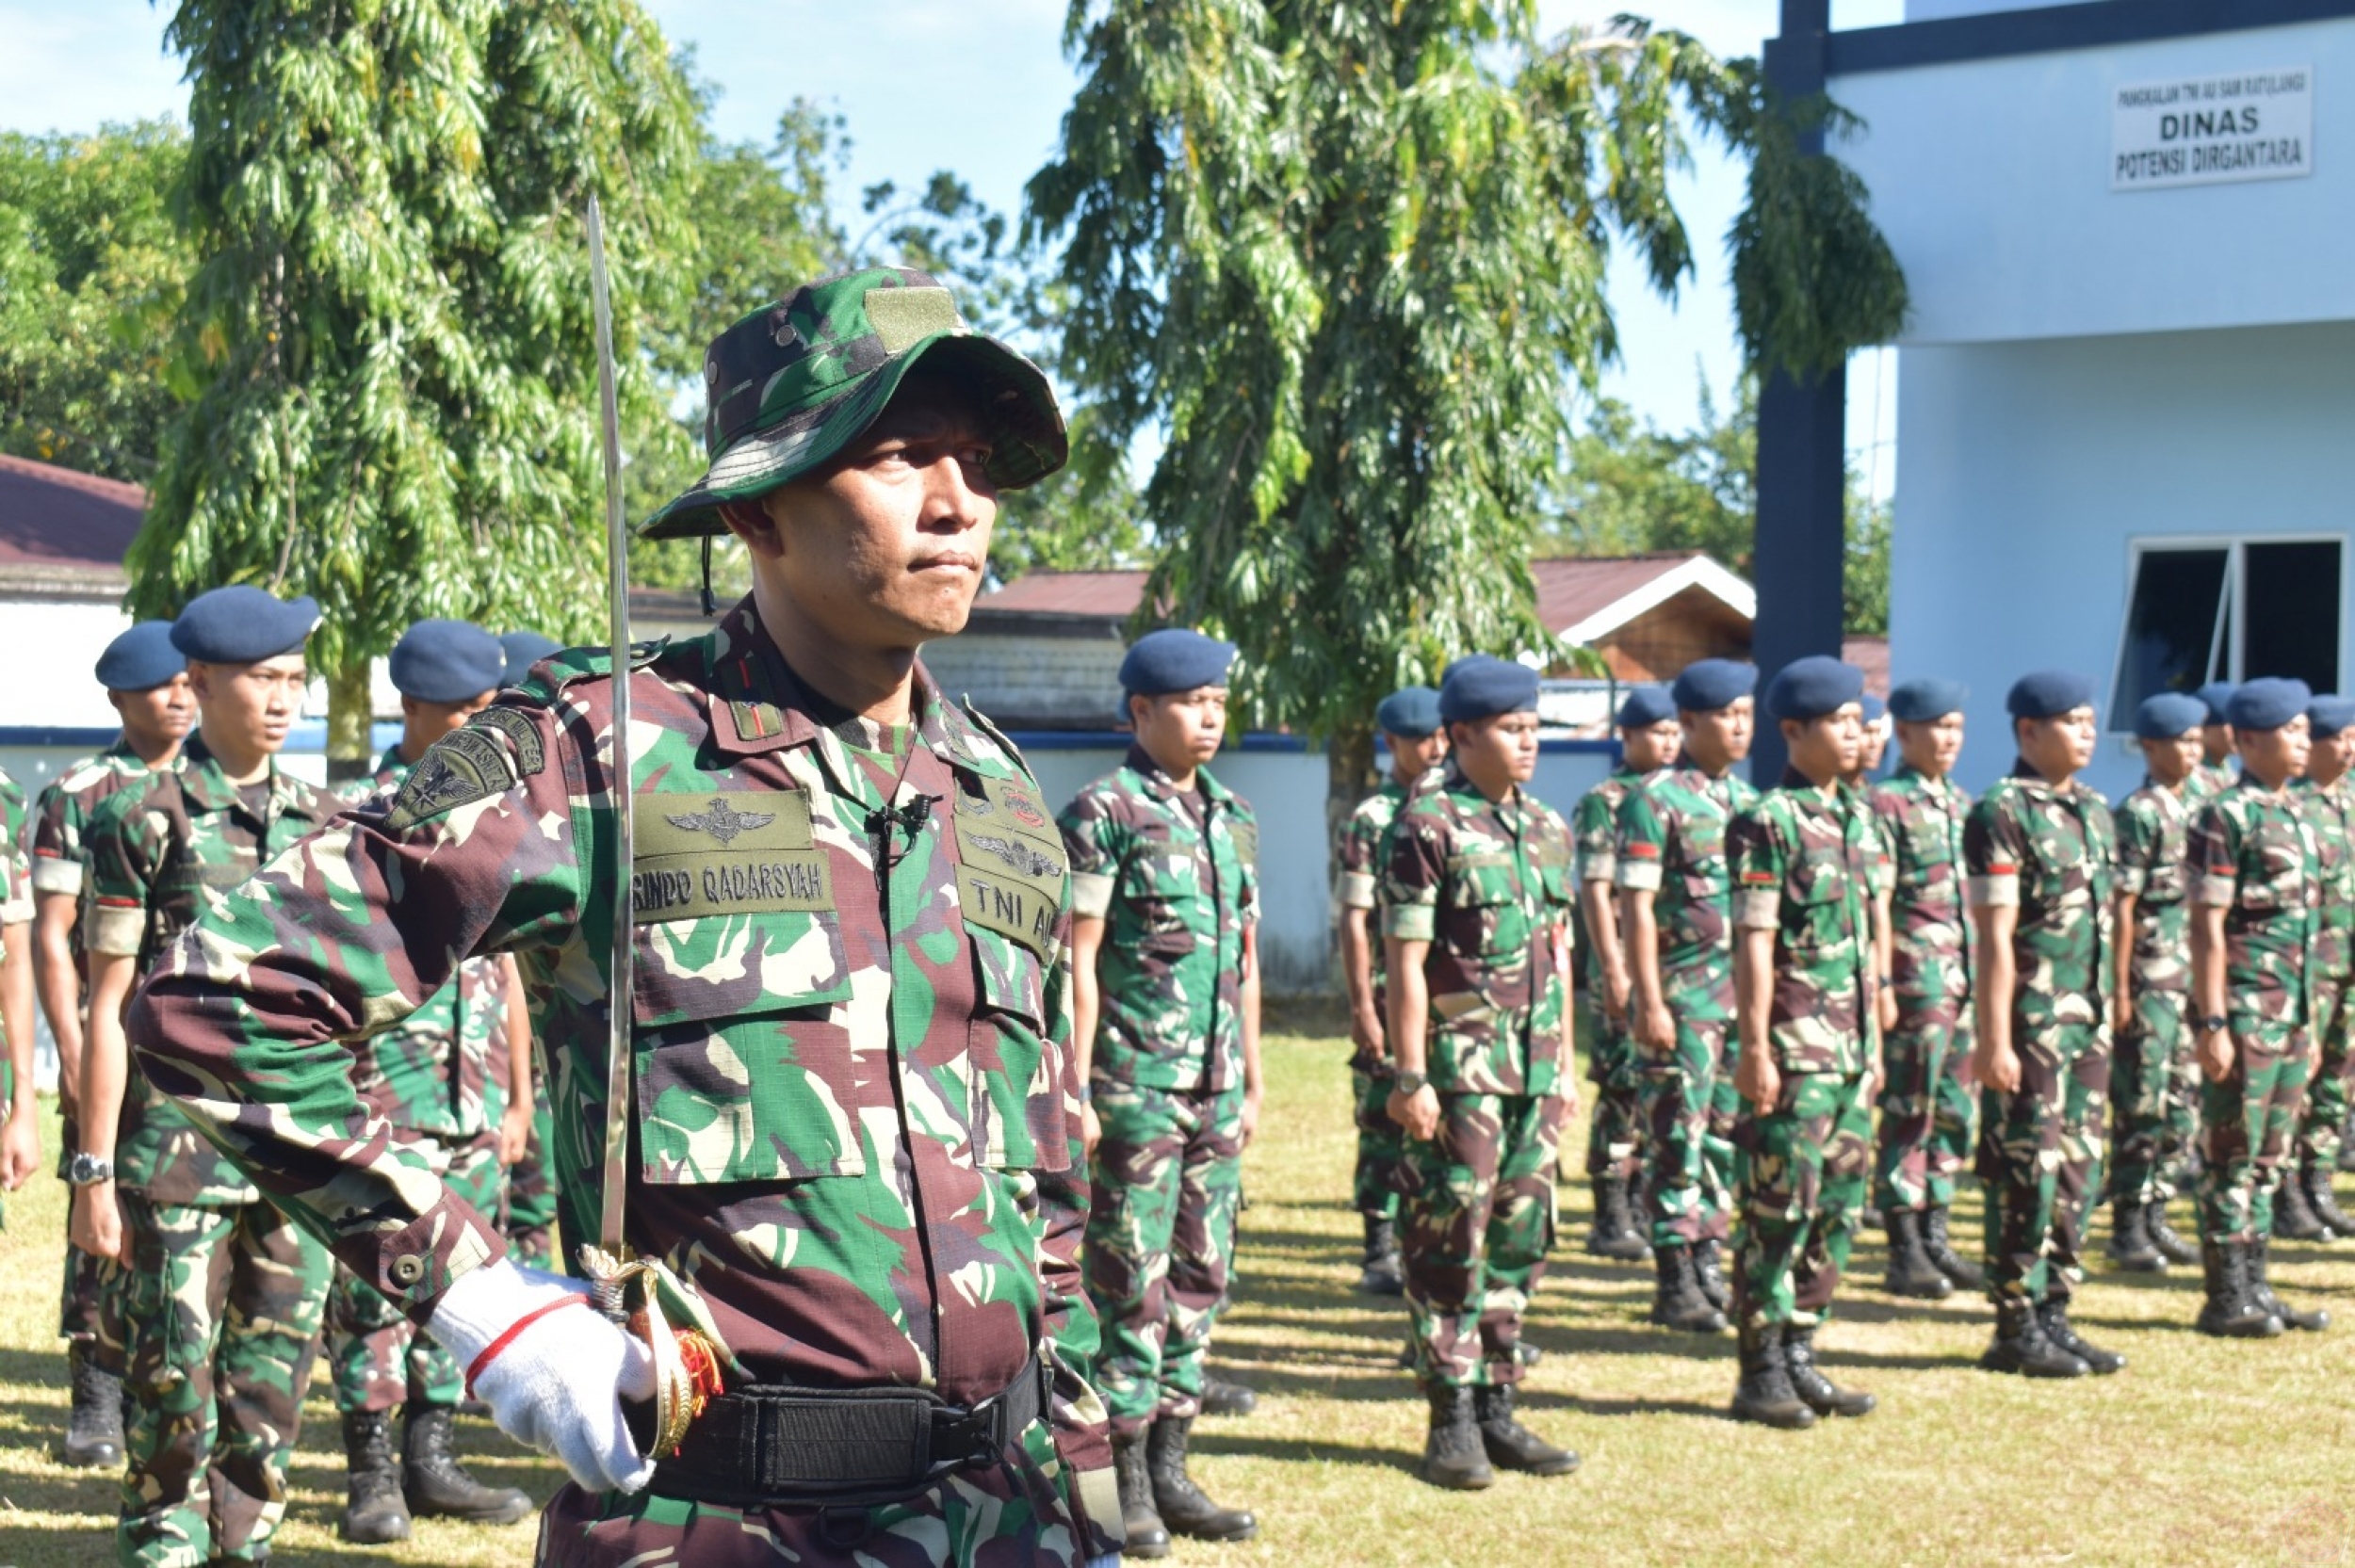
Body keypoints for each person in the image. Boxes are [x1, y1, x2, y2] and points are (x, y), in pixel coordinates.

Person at [123, 268, 1123, 1566]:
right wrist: (485, 1300)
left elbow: (1038, 1185)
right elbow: (222, 996)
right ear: (761, 504)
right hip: (725, 1522)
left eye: (977, 461)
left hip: (1007, 1515)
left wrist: (1083, 1497)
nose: (958, 504)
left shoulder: (996, 790)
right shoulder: (599, 745)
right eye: (897, 455)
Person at [71, 586, 338, 1564]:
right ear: (201, 683)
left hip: (292, 1153)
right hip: (175, 1152)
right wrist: (92, 1173)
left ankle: (246, 1545)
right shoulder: (146, 818)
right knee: (172, 1380)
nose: (282, 700)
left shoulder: (327, 825)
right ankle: (162, 1542)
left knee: (271, 1388)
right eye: (263, 679)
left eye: (295, 681)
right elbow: (106, 1003)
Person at [325, 619, 537, 1543]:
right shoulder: (357, 817)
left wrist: (520, 1095)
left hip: (478, 1096)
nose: (478, 725)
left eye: (489, 708)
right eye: (460, 709)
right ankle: (370, 1473)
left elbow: (512, 965)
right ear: (408, 706)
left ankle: (433, 1459)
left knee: (466, 1282)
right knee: (374, 1285)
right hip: (385, 1098)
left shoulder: (505, 817)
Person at [1061, 625, 1261, 1551]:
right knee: (1127, 1284)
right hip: (1136, 1084)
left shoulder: (1232, 818)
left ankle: (1174, 1467)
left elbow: (1247, 964)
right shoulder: (1103, 813)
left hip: (1215, 1089)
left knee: (1200, 1276)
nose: (1209, 716)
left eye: (1218, 701)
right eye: (1190, 703)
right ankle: (1126, 1476)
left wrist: (1253, 1080)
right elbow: (1077, 963)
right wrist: (1080, 1087)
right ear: (1140, 711)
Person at [1383, 656, 1579, 1488]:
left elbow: (1560, 957)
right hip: (1462, 1077)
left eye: (1534, 726)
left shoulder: (1547, 828)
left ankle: (1498, 1399)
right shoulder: (1426, 826)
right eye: (1511, 727)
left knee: (1521, 1238)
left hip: (1534, 1075)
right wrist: (1410, 1073)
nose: (1528, 740)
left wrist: (1566, 1066)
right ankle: (1451, 1414)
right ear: (1462, 735)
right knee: (1449, 1239)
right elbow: (1405, 959)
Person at [27, 621, 194, 1470]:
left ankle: (154, 1379)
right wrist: (67, 1044)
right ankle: (94, 1387)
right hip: (107, 1036)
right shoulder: (81, 792)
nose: (179, 695)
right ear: (119, 697)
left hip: (192, 1049)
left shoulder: (214, 789)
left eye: (187, 680)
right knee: (98, 1198)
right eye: (160, 684)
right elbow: (52, 936)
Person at [1726, 655, 1880, 1429]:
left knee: (1838, 1206)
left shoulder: (1856, 816)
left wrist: (1876, 1043)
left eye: (1859, 721)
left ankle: (1802, 1352)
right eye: (1841, 722)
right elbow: (1754, 943)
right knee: (1779, 1204)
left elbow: (1867, 946)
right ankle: (1760, 1369)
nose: (1857, 734)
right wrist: (1756, 1046)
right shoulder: (1768, 820)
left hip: (1851, 1050)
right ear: (1794, 731)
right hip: (1792, 1045)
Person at [1965, 670, 2123, 1380]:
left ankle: (2056, 1311)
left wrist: (2112, 1006)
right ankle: (2014, 1323)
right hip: (2030, 1025)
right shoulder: (2001, 811)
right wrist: (1993, 1039)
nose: (2087, 731)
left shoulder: (2093, 808)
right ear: (2029, 731)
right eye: (2072, 721)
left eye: (2091, 720)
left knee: (2080, 1171)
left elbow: (2110, 921)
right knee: (2028, 1169)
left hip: (2085, 1022)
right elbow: (1994, 935)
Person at [1616, 657, 1757, 1334]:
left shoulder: (1748, 803)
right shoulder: (1656, 799)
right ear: (1691, 722)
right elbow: (1635, 907)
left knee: (1725, 1136)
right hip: (1682, 998)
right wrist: (1648, 998)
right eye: (1727, 715)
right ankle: (1674, 1277)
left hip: (1736, 1002)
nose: (1740, 726)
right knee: (1677, 1132)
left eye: (1746, 714)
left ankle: (1709, 1258)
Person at [2187, 677, 2330, 1337]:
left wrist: (2311, 1019)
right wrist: (2213, 1021)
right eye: (2290, 731)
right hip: (2244, 1010)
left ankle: (2258, 1284)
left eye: (2305, 729)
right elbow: (2207, 925)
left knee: (2271, 1155)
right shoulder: (2226, 815)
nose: (2303, 741)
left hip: (2292, 1012)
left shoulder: (2299, 812)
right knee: (2233, 1152)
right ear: (2247, 740)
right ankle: (2225, 1296)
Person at [1868, 677, 1981, 1298]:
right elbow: (1878, 900)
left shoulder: (1961, 802)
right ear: (1904, 734)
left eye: (1956, 728)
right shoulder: (1887, 803)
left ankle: (1936, 1233)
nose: (1948, 739)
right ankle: (1903, 1244)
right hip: (1915, 979)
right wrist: (1883, 980)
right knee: (1910, 1109)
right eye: (1937, 728)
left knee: (1953, 1109)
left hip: (1960, 978)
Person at [1333, 684, 1448, 1295]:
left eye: (1441, 736)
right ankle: (1379, 1240)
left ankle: (1421, 1235)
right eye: (1420, 739)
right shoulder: (1372, 817)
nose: (1434, 749)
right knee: (1380, 1117)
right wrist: (1361, 1006)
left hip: (1438, 994)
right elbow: (1353, 916)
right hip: (1384, 987)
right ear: (1391, 743)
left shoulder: (1452, 810)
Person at [1573, 686, 1680, 1261]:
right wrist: (1613, 967)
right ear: (1628, 736)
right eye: (1655, 733)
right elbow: (1593, 888)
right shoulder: (1605, 800)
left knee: (1659, 1088)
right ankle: (1611, 1208)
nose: (1666, 744)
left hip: (1671, 969)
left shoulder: (1684, 796)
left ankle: (1644, 1197)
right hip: (1623, 963)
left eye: (1672, 732)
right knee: (1619, 1086)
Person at [2104, 691, 2208, 1273]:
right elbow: (2124, 905)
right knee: (2141, 1100)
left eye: (2197, 740)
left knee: (2181, 1098)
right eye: (2180, 742)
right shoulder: (2140, 812)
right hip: (2148, 977)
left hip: (2190, 977)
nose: (2192, 752)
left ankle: (2158, 1211)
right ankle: (2128, 1222)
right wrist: (2119, 988)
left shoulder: (2203, 804)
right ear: (2150, 747)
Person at [493, 627, 565, 1268]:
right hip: (474, 1087)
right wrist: (515, 1094)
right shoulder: (496, 818)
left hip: (558, 1080)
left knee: (540, 1230)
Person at [2291, 694, 2355, 1237]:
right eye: (2341, 737)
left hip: (2349, 970)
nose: (2351, 747)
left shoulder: (2350, 802)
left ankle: (2318, 1180)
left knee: (2338, 1081)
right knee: (2298, 1082)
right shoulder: (2294, 808)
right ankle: (2288, 1190)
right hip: (2310, 969)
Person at [2187, 681, 2239, 807]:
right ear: (2203, 729)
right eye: (2230, 724)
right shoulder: (2189, 779)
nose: (2240, 732)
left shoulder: (2228, 772)